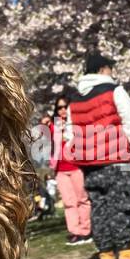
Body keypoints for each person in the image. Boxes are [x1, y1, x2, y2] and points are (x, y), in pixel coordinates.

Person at [67, 53, 130, 259]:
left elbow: (70, 135)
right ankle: (126, 252)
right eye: (110, 68)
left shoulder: (74, 100)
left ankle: (105, 255)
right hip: (117, 158)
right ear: (102, 69)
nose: (112, 72)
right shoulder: (114, 91)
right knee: (121, 204)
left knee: (99, 206)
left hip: (89, 164)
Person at [49, 95, 92, 245]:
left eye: (64, 106)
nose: (62, 110)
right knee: (69, 202)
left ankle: (86, 231)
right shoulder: (54, 126)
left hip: (77, 167)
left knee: (82, 199)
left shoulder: (77, 124)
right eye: (59, 107)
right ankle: (75, 232)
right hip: (60, 170)